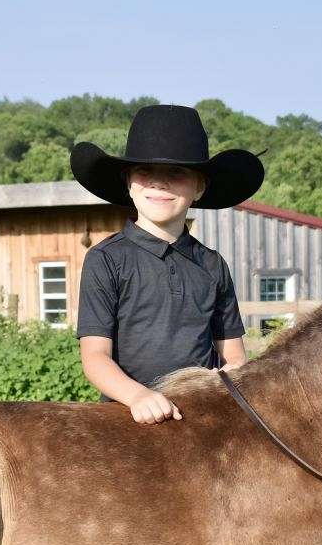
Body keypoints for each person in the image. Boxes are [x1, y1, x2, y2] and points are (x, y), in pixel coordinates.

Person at [69, 104, 265, 425]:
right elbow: (95, 357)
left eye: (177, 173)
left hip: (202, 417)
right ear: (129, 183)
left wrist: (228, 378)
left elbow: (234, 356)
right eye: (145, 171)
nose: (159, 183)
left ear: (200, 187)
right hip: (125, 416)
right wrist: (138, 396)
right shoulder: (106, 259)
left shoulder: (213, 265)